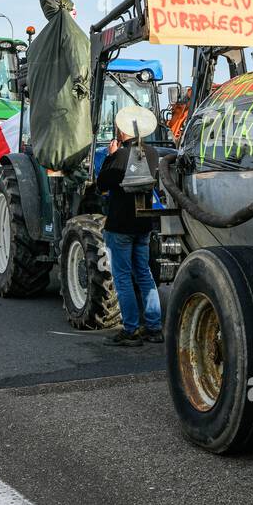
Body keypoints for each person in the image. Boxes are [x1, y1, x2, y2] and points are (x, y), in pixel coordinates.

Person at [96, 106, 162, 347]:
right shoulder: (153, 152)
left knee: (122, 277)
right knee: (144, 274)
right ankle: (154, 327)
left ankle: (131, 329)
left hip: (120, 225)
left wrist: (111, 156)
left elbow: (102, 183)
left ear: (122, 131)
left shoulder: (121, 155)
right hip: (143, 224)